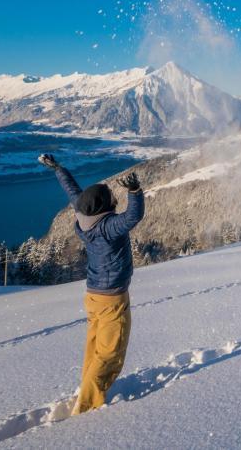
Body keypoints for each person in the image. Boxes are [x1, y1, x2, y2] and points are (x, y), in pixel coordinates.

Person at [38, 153, 145, 415]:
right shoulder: (109, 227)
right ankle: (86, 407)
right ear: (104, 207)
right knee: (110, 353)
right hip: (112, 299)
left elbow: (73, 192)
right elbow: (133, 217)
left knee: (94, 346)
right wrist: (135, 191)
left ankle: (86, 390)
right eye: (110, 199)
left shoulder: (84, 218)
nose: (113, 200)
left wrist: (59, 168)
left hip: (93, 296)